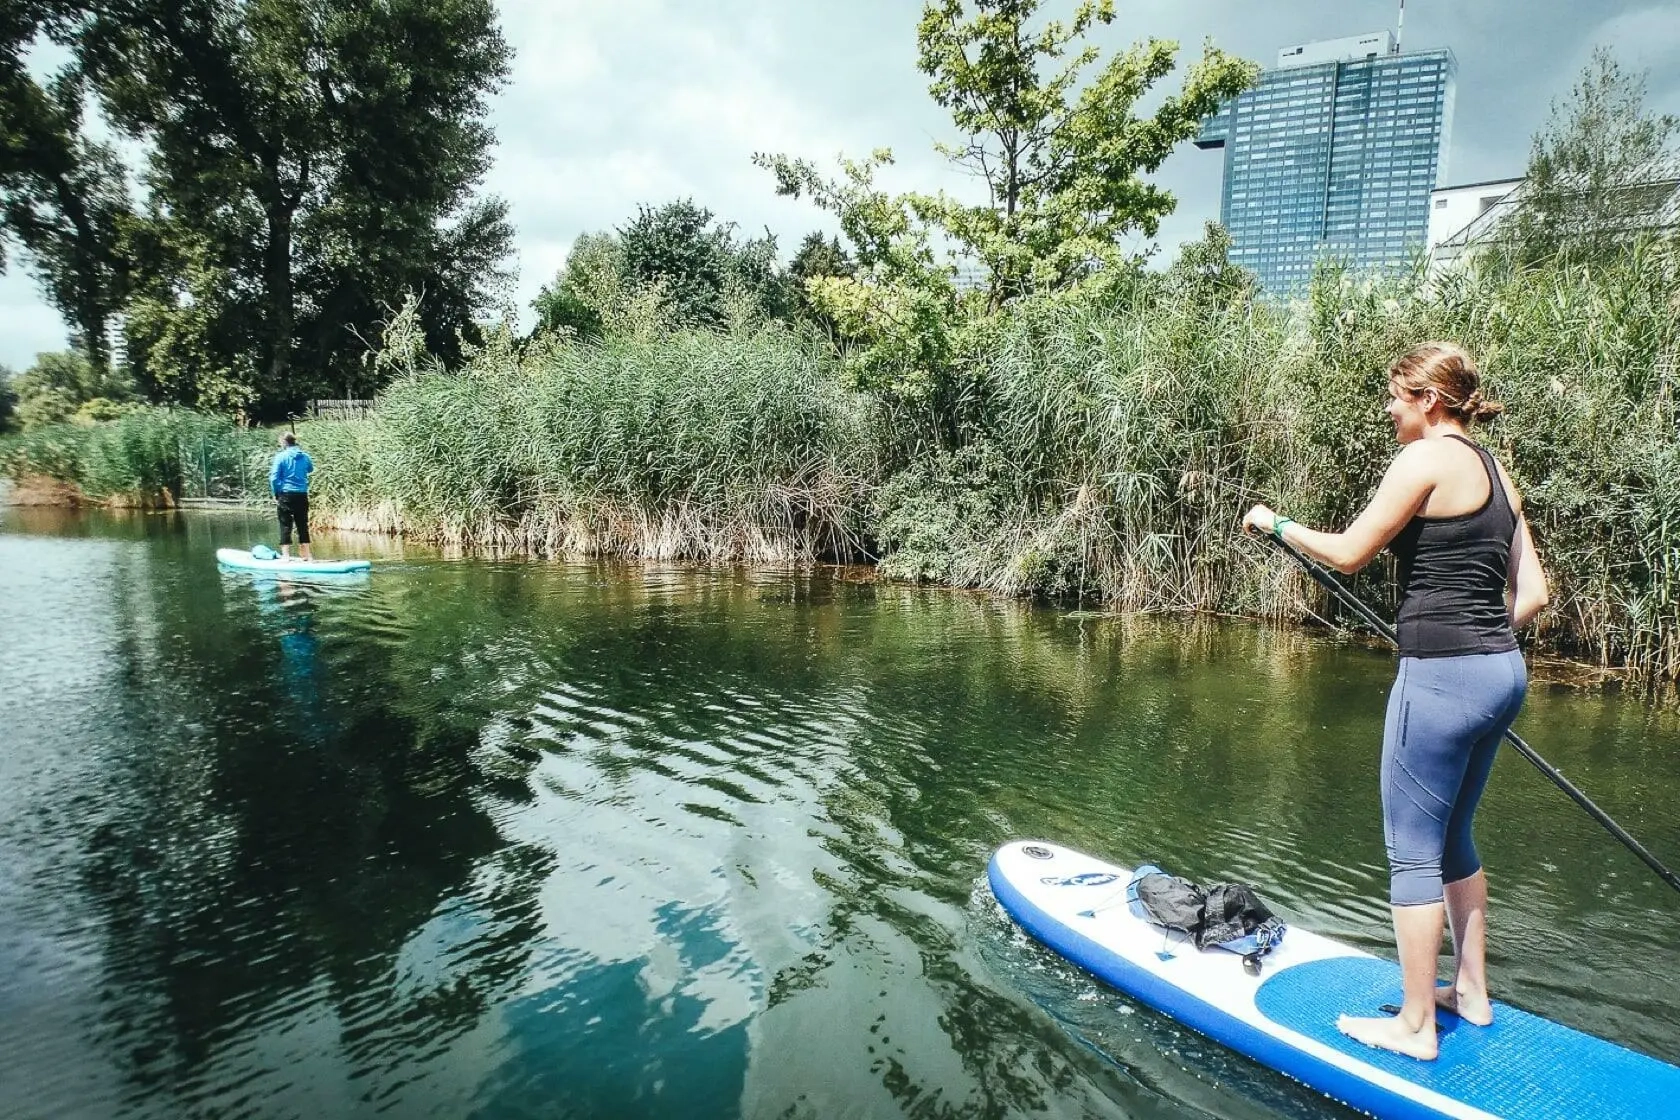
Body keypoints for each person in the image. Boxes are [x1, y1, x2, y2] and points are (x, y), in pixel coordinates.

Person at [1241, 341, 1550, 1061]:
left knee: (1412, 853)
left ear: (1429, 400)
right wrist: (1479, 645)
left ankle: (1415, 1026)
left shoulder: (1424, 459)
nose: (1388, 410)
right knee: (1455, 840)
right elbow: (1532, 594)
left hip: (1439, 679)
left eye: (1394, 397)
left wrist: (1275, 523)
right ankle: (1469, 993)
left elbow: (1351, 551)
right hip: (1501, 672)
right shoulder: (1500, 473)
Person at [270, 431, 315, 561]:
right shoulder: (305, 456)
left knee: (285, 524)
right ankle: (306, 554)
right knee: (302, 523)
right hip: (302, 494)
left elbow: (274, 478)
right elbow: (310, 469)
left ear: (284, 443)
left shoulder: (281, 457)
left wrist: (276, 492)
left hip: (285, 494)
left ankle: (286, 556)